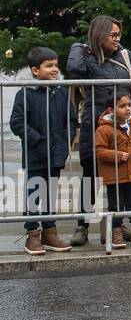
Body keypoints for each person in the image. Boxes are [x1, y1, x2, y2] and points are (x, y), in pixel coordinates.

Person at [66, 16, 131, 246]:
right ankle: (83, 224)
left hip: (123, 127)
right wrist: (80, 45)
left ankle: (117, 223)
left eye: (118, 35)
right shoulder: (86, 56)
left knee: (122, 178)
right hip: (95, 124)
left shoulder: (125, 55)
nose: (117, 39)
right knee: (90, 175)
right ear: (98, 35)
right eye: (112, 35)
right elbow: (73, 68)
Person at [10, 48, 73, 255]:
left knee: (50, 193)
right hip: (35, 153)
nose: (54, 69)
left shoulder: (62, 92)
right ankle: (32, 234)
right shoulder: (25, 93)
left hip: (56, 153)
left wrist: (66, 141)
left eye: (56, 65)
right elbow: (17, 122)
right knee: (34, 194)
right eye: (49, 66)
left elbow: (71, 120)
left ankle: (49, 231)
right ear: (35, 70)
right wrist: (37, 140)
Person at [94, 92, 131, 249]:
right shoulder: (104, 130)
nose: (127, 109)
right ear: (111, 110)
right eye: (122, 106)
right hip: (115, 176)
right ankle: (116, 231)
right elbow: (100, 151)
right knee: (115, 204)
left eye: (129, 105)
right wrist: (118, 155)